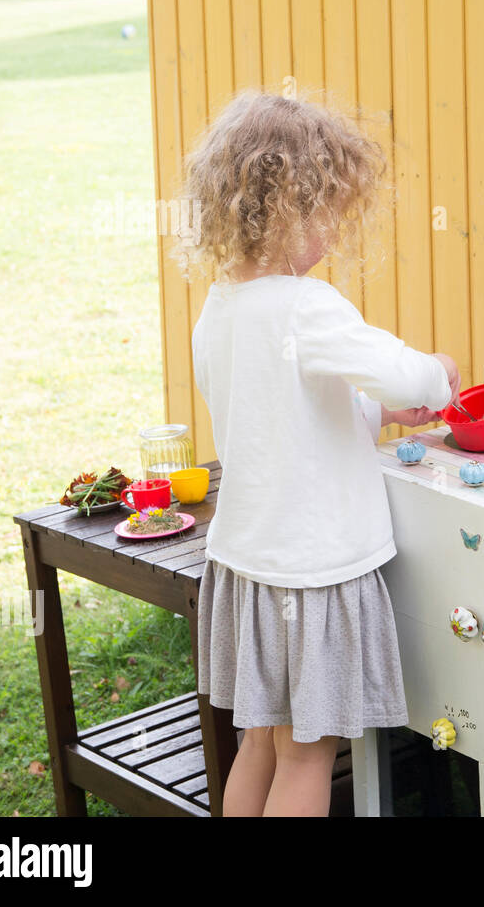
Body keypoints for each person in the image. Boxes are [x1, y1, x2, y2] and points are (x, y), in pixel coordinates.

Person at [180, 90, 459, 815]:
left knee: (263, 744)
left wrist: (375, 412)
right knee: (310, 756)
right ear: (281, 208)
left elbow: (282, 414)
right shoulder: (308, 306)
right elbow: (403, 369)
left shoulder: (218, 309)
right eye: (327, 209)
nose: (335, 232)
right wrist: (436, 373)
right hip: (313, 574)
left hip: (247, 566)